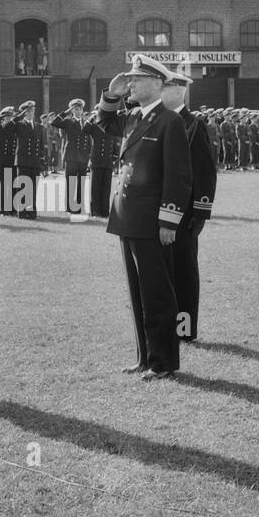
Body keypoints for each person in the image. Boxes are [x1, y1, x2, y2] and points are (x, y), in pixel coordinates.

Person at [93, 54, 192, 381]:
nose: (131, 83)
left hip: (151, 221)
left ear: (158, 84)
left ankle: (163, 361)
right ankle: (145, 357)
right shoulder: (133, 116)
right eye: (131, 79)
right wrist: (111, 93)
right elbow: (104, 123)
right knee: (137, 294)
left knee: (156, 294)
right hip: (127, 217)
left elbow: (178, 177)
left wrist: (168, 221)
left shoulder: (169, 121)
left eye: (137, 79)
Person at [160, 69, 215, 343]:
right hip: (158, 210)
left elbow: (205, 171)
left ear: (177, 90)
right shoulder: (159, 120)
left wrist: (201, 212)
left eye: (164, 87)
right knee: (162, 271)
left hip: (184, 213)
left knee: (183, 271)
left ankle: (184, 328)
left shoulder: (193, 124)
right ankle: (166, 324)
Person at [51, 99, 93, 217]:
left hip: (83, 157)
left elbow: (89, 140)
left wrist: (89, 155)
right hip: (71, 156)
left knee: (81, 183)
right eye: (75, 109)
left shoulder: (86, 122)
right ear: (72, 110)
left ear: (82, 110)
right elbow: (54, 122)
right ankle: (70, 207)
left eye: (79, 109)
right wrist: (65, 112)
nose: (78, 111)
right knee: (71, 182)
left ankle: (79, 207)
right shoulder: (68, 121)